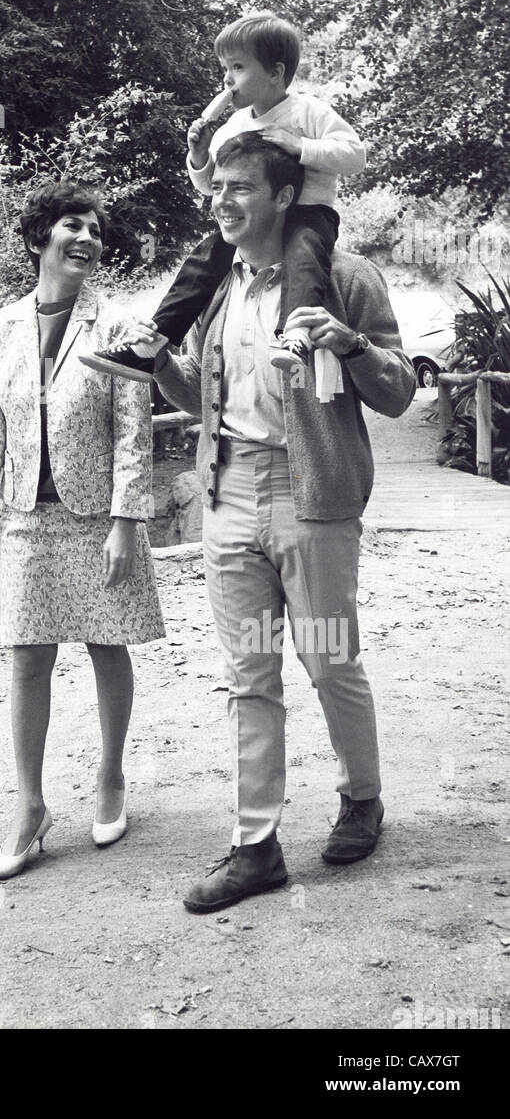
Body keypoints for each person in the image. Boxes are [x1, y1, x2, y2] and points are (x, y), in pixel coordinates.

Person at [138, 131, 415, 912]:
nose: (222, 202)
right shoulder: (214, 288)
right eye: (216, 188)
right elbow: (201, 401)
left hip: (312, 494)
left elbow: (396, 393)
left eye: (240, 188)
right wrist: (152, 355)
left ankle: (362, 797)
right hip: (229, 498)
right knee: (249, 676)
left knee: (326, 659)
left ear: (286, 196)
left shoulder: (343, 276)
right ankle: (255, 847)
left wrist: (351, 343)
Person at [0, 181, 164, 879]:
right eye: (74, 225)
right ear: (41, 237)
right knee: (27, 659)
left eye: (96, 230)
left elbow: (135, 435)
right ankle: (31, 808)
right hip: (26, 520)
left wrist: (126, 523)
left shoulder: (120, 326)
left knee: (106, 646)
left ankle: (110, 780)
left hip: (99, 516)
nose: (88, 239)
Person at [82, 11, 365, 381]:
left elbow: (354, 156)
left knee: (306, 256)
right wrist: (199, 157)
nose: (227, 79)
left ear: (276, 73)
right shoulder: (234, 126)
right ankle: (152, 343)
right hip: (253, 226)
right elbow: (210, 184)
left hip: (308, 213)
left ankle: (295, 334)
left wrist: (302, 147)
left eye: (238, 67)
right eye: (224, 69)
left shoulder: (309, 112)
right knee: (202, 261)